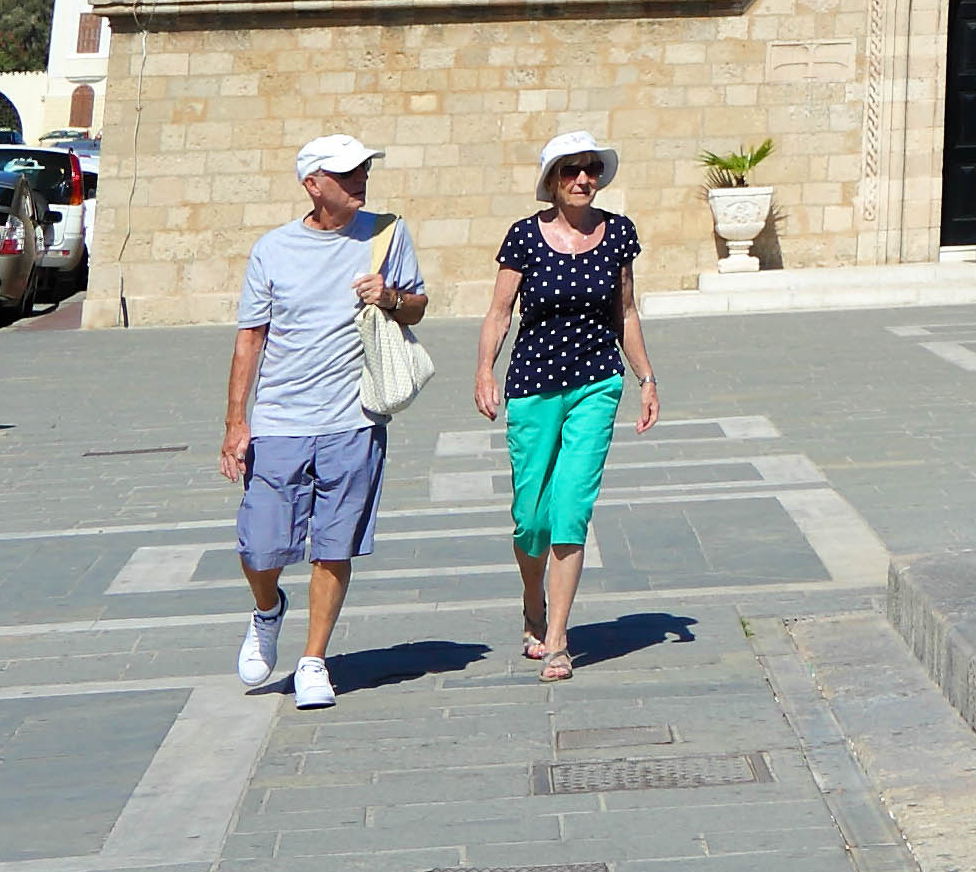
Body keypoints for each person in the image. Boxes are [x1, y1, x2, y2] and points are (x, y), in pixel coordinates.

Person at [223, 133, 428, 710]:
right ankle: (268, 610)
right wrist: (236, 423)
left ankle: (314, 659)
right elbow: (250, 338)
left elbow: (418, 305)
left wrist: (388, 295)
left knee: (333, 544)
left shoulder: (386, 234)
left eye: (364, 170)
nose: (360, 179)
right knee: (260, 545)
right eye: (346, 174)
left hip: (354, 417)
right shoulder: (273, 249)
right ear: (313, 183)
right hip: (281, 419)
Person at [476, 132, 658, 682]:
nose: (583, 179)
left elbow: (625, 312)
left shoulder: (617, 234)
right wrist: (485, 369)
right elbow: (499, 311)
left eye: (591, 170)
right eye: (571, 171)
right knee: (530, 517)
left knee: (571, 509)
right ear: (553, 180)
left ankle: (557, 638)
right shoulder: (524, 237)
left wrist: (645, 378)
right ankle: (533, 600)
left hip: (596, 384)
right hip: (532, 386)